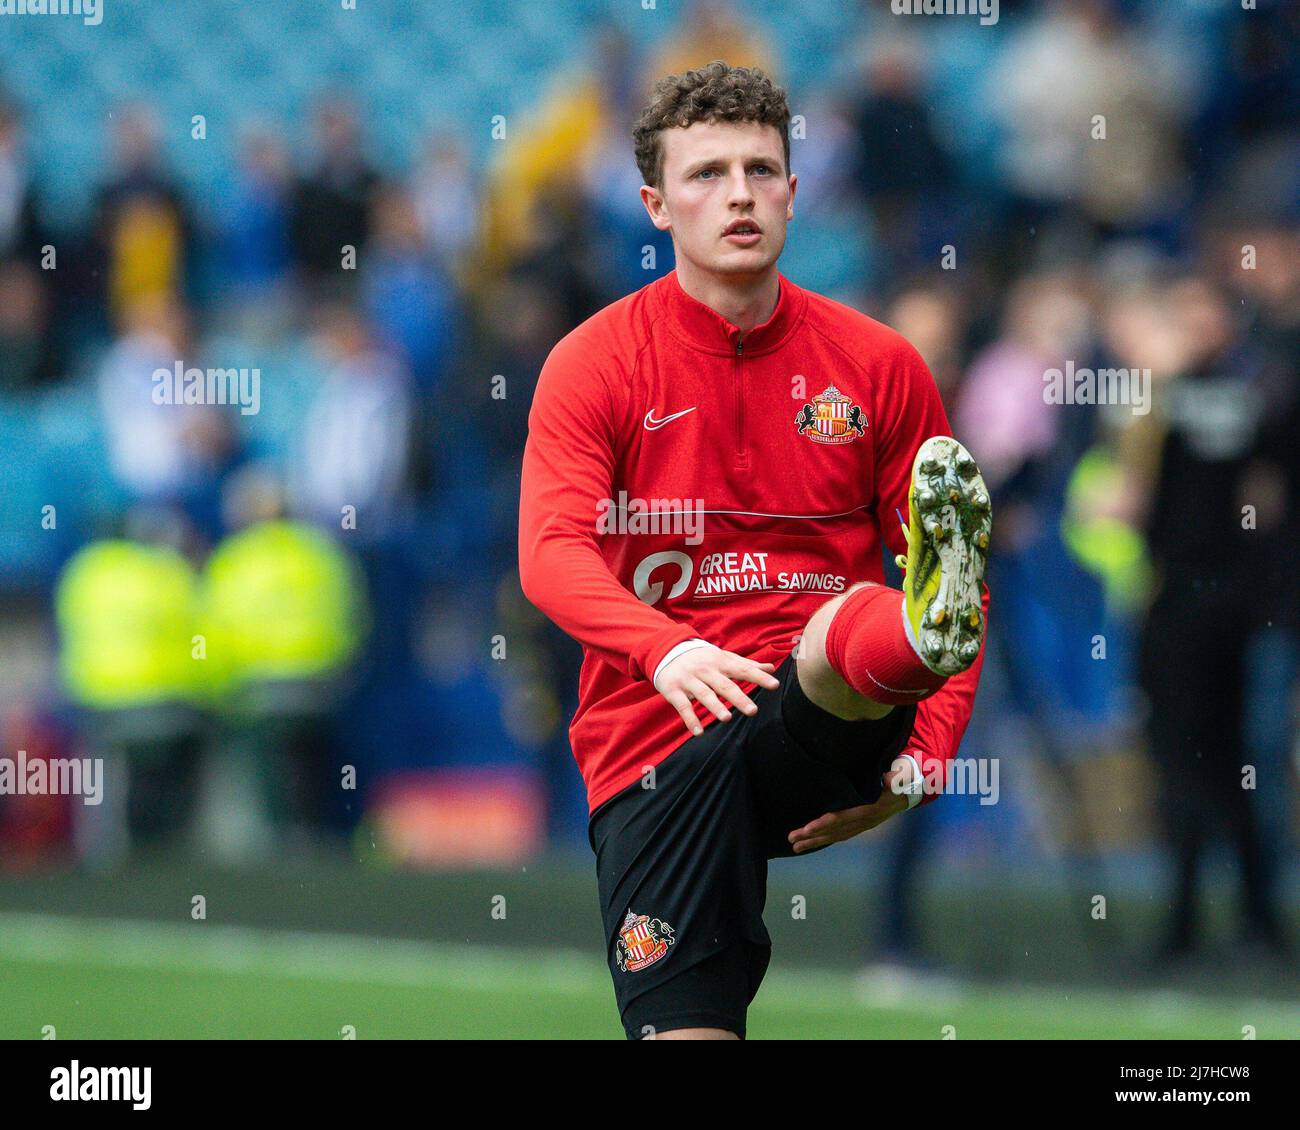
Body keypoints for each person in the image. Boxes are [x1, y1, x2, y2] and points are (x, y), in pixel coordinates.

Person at [518, 62, 992, 1040]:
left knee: (841, 625)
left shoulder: (880, 364)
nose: (738, 192)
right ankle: (895, 642)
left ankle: (904, 640)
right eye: (706, 174)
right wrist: (665, 647)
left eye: (760, 169)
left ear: (792, 188)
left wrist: (919, 765)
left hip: (819, 705)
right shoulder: (592, 363)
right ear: (654, 203)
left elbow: (957, 592)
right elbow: (550, 555)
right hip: (658, 741)